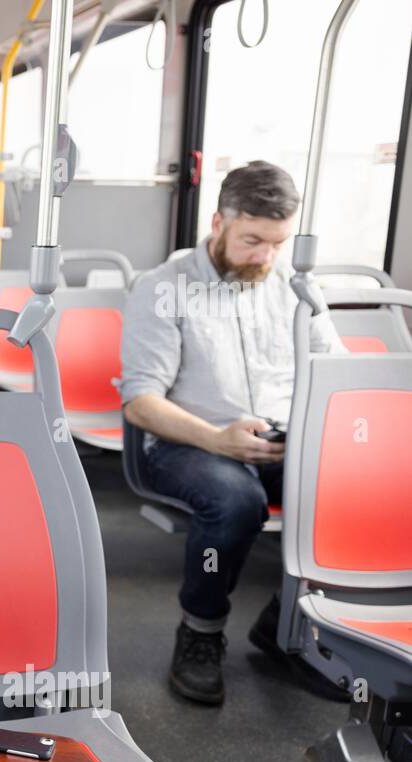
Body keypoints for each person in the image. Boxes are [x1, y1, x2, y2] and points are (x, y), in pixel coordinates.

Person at [120, 161, 347, 706]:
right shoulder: (163, 288)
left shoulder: (295, 287)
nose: (265, 258)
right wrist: (218, 439)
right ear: (218, 222)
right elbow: (140, 402)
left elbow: (336, 369)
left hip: (277, 437)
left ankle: (285, 625)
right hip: (187, 441)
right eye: (252, 241)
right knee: (235, 499)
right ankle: (200, 632)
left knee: (346, 490)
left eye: (277, 243)